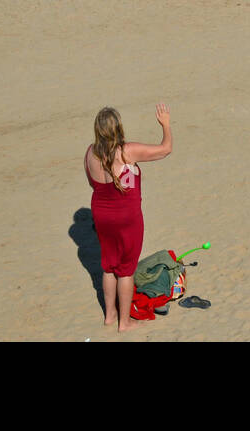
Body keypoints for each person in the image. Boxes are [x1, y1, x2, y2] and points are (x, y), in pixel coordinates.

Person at [84, 104, 173, 332]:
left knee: (108, 266)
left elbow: (93, 183)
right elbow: (165, 149)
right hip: (126, 218)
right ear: (118, 128)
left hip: (102, 215)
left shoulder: (90, 153)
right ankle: (125, 321)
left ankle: (110, 315)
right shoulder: (126, 151)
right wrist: (166, 125)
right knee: (126, 269)